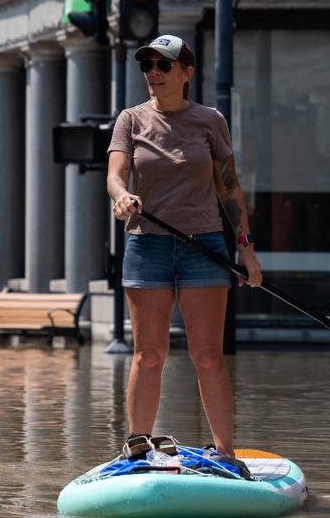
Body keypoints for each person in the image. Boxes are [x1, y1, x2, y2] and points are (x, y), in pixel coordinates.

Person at [105, 34, 263, 477]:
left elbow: (229, 189)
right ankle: (137, 450)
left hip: (205, 247)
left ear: (187, 73)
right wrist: (121, 196)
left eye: (164, 65)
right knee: (147, 354)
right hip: (146, 244)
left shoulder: (210, 121)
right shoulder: (130, 121)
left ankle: (226, 454)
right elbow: (115, 176)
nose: (153, 73)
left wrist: (246, 251)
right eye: (148, 65)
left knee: (207, 355)